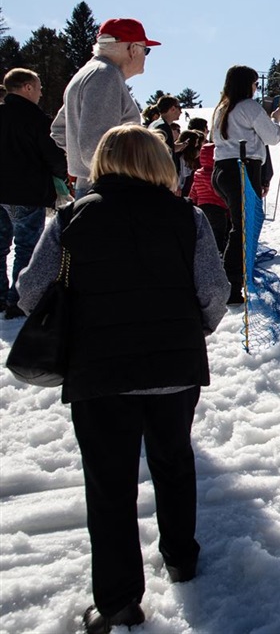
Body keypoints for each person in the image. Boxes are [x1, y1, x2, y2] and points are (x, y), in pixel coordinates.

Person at [16, 124, 228, 634]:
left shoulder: (72, 217)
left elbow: (30, 291)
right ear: (158, 162)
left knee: (109, 483)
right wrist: (190, 328)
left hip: (100, 369)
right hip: (174, 366)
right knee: (174, 460)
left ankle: (116, 602)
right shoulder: (188, 217)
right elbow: (214, 291)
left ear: (103, 161)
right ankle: (181, 557)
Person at [52, 18, 159, 197]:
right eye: (145, 50)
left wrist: (78, 163)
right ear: (133, 49)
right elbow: (94, 147)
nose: (144, 56)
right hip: (109, 191)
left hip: (92, 187)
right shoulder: (105, 76)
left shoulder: (89, 72)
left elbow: (59, 131)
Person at [210, 65, 280, 304]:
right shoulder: (249, 107)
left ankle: (234, 278)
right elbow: (272, 137)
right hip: (241, 168)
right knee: (244, 227)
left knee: (241, 224)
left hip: (222, 169)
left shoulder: (222, 108)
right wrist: (276, 121)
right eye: (255, 83)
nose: (256, 88)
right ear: (247, 84)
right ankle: (231, 284)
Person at [0, 68, 68, 319]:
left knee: (0, 247)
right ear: (27, 87)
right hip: (25, 192)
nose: (40, 93)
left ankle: (0, 296)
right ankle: (17, 300)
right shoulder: (36, 119)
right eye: (38, 87)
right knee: (26, 247)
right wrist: (61, 174)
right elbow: (53, 157)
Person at [188, 142, 229, 261]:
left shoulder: (197, 174)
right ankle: (218, 256)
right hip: (218, 209)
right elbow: (221, 192)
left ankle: (204, 256)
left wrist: (192, 199)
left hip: (202, 207)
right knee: (218, 234)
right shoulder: (217, 174)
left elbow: (194, 190)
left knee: (203, 233)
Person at [149, 95, 185, 176]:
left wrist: (180, 146)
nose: (181, 112)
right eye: (179, 108)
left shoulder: (154, 124)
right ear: (173, 108)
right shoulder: (163, 127)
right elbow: (165, 155)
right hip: (162, 176)